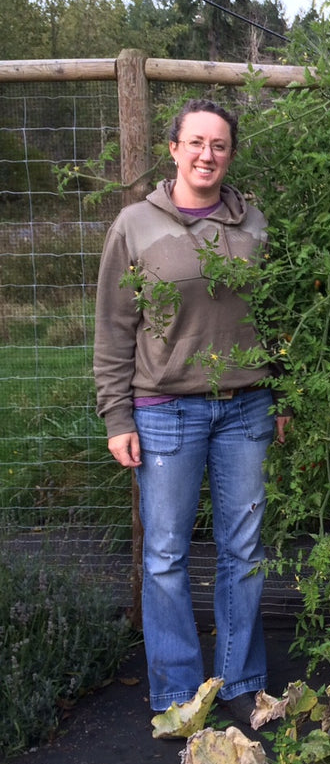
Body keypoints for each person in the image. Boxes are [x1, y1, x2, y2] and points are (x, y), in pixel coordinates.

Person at [93, 98, 288, 726]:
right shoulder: (136, 225)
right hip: (166, 409)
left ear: (231, 155)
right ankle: (179, 696)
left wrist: (281, 393)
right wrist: (117, 416)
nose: (208, 155)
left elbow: (276, 317)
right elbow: (113, 327)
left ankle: (240, 681)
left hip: (247, 407)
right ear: (173, 149)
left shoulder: (254, 223)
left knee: (243, 550)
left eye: (221, 145)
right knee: (167, 555)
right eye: (196, 143)